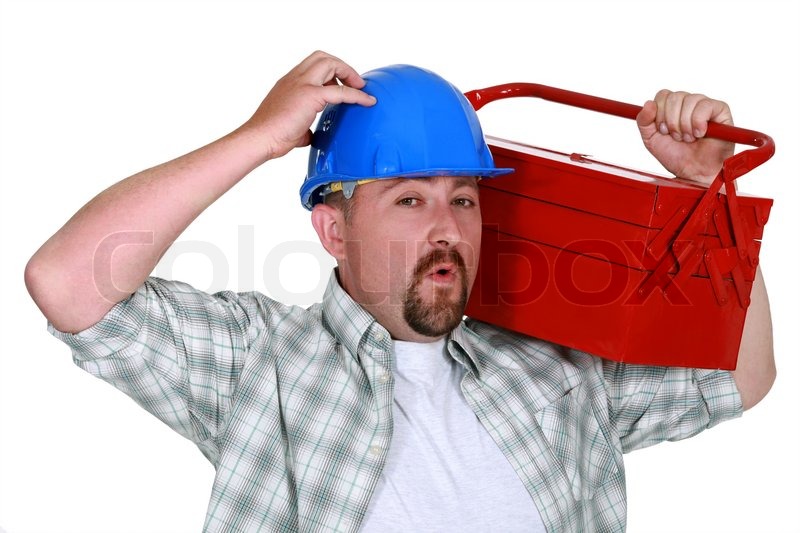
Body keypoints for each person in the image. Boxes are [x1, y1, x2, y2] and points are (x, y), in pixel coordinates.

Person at [25, 50, 775, 532]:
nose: (446, 226)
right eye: (409, 200)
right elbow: (65, 281)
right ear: (334, 230)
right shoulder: (261, 364)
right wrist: (259, 137)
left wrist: (710, 194)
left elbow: (742, 375)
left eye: (464, 199)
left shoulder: (557, 369)